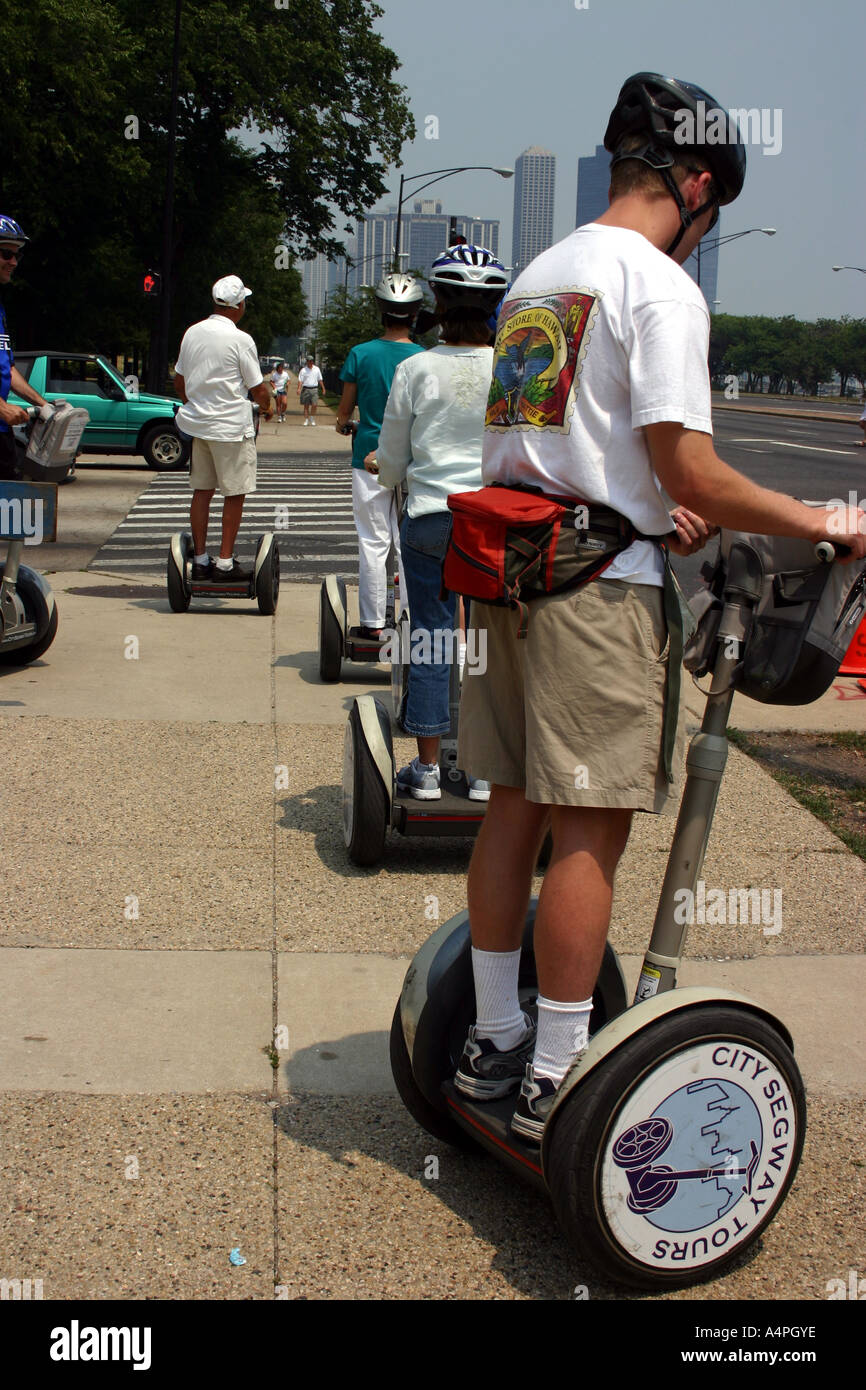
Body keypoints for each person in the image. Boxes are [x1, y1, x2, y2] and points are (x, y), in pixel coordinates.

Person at [453, 72, 866, 1144]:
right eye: (707, 210)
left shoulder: (538, 277)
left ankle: (491, 1037)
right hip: (595, 597)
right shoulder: (657, 285)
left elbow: (561, 454)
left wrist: (647, 509)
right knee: (587, 822)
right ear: (692, 185)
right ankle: (551, 1074)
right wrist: (816, 515)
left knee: (510, 808)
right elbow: (690, 469)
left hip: (506, 571)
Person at [368, 247, 507, 799]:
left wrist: (388, 470)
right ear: (497, 306)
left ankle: (426, 770)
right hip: (493, 524)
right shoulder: (512, 369)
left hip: (430, 517)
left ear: (438, 304)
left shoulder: (415, 368)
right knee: (488, 641)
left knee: (430, 635)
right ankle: (480, 770)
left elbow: (394, 456)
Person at [336, 272, 425, 639]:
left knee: (373, 541)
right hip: (411, 460)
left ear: (380, 312)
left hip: (368, 458)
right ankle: (410, 623)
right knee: (407, 543)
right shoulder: (424, 358)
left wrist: (344, 424)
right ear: (415, 314)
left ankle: (373, 624)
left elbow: (344, 411)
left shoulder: (361, 353)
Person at [173, 275, 272, 581]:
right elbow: (257, 388)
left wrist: (198, 405)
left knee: (202, 491)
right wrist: (267, 406)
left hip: (199, 427)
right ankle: (225, 563)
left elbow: (180, 381)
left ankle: (201, 559)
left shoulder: (192, 333)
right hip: (231, 428)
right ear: (238, 305)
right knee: (234, 493)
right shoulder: (241, 340)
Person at [0, 216, 50, 480]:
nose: (14, 262)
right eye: (6, 254)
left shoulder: (0, 309)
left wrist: (43, 404)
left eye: (16, 255)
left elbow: (7, 367)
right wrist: (1, 407)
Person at [297, 355, 324, 425]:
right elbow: (300, 380)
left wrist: (323, 388)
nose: (310, 362)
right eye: (309, 361)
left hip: (314, 389)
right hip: (306, 389)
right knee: (306, 405)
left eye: (311, 361)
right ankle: (306, 419)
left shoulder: (317, 369)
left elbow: (320, 379)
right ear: (307, 362)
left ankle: (312, 417)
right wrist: (299, 389)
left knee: (314, 404)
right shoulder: (303, 370)